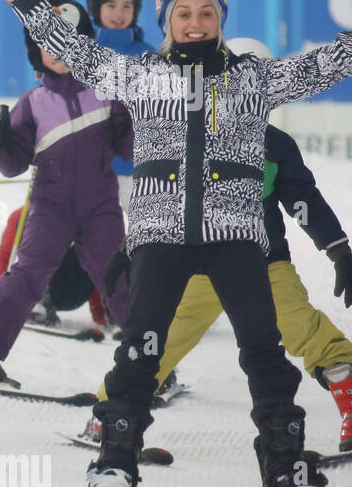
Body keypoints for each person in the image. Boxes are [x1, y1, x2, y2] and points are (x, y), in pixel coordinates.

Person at [0, 0, 352, 487]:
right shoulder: (140, 76)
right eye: (183, 13)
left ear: (221, 19)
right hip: (160, 239)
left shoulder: (252, 79)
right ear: (166, 22)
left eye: (207, 11)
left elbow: (323, 65)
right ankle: (115, 463)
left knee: (265, 353)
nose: (196, 21)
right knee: (139, 352)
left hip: (237, 241)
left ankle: (284, 465)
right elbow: (74, 47)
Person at [91, 123, 352, 451]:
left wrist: (337, 248)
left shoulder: (272, 144)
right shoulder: (186, 138)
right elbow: (162, 204)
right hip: (197, 267)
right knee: (161, 337)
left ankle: (349, 394)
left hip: (263, 265)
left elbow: (303, 200)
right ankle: (112, 415)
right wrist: (129, 247)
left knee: (302, 327)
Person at [0, 0, 131, 386]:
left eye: (69, 41)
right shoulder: (33, 103)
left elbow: (131, 148)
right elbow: (13, 162)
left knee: (118, 273)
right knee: (29, 271)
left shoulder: (106, 93)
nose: (60, 52)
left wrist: (142, 115)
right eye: (50, 43)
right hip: (51, 205)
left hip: (101, 205)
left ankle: (148, 352)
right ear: (36, 49)